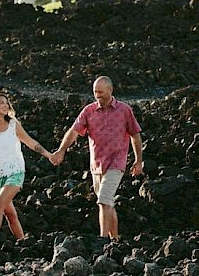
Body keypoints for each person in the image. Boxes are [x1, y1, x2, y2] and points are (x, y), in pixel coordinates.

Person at [51, 76, 143, 240]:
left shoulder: (124, 110)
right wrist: (61, 150)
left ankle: (102, 241)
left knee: (103, 200)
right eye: (95, 92)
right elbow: (73, 132)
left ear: (110, 90)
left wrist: (138, 160)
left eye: (101, 92)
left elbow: (135, 135)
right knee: (108, 203)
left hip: (116, 162)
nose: (97, 95)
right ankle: (115, 240)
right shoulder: (88, 111)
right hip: (96, 165)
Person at [0, 92, 53, 238]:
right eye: (2, 102)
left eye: (7, 102)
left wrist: (49, 155)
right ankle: (23, 242)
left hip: (15, 172)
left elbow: (30, 142)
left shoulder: (13, 124)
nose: (6, 105)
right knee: (11, 215)